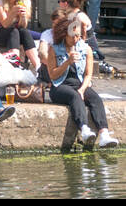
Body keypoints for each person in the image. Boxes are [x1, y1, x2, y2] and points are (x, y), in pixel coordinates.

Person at [42, 14, 118, 148]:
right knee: (74, 96)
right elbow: (53, 75)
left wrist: (83, 89)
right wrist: (67, 62)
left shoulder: (85, 49)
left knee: (95, 98)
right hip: (60, 85)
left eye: (78, 35)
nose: (76, 39)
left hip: (79, 84)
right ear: (64, 34)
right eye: (73, 36)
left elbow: (88, 74)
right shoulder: (54, 49)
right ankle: (84, 129)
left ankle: (104, 134)